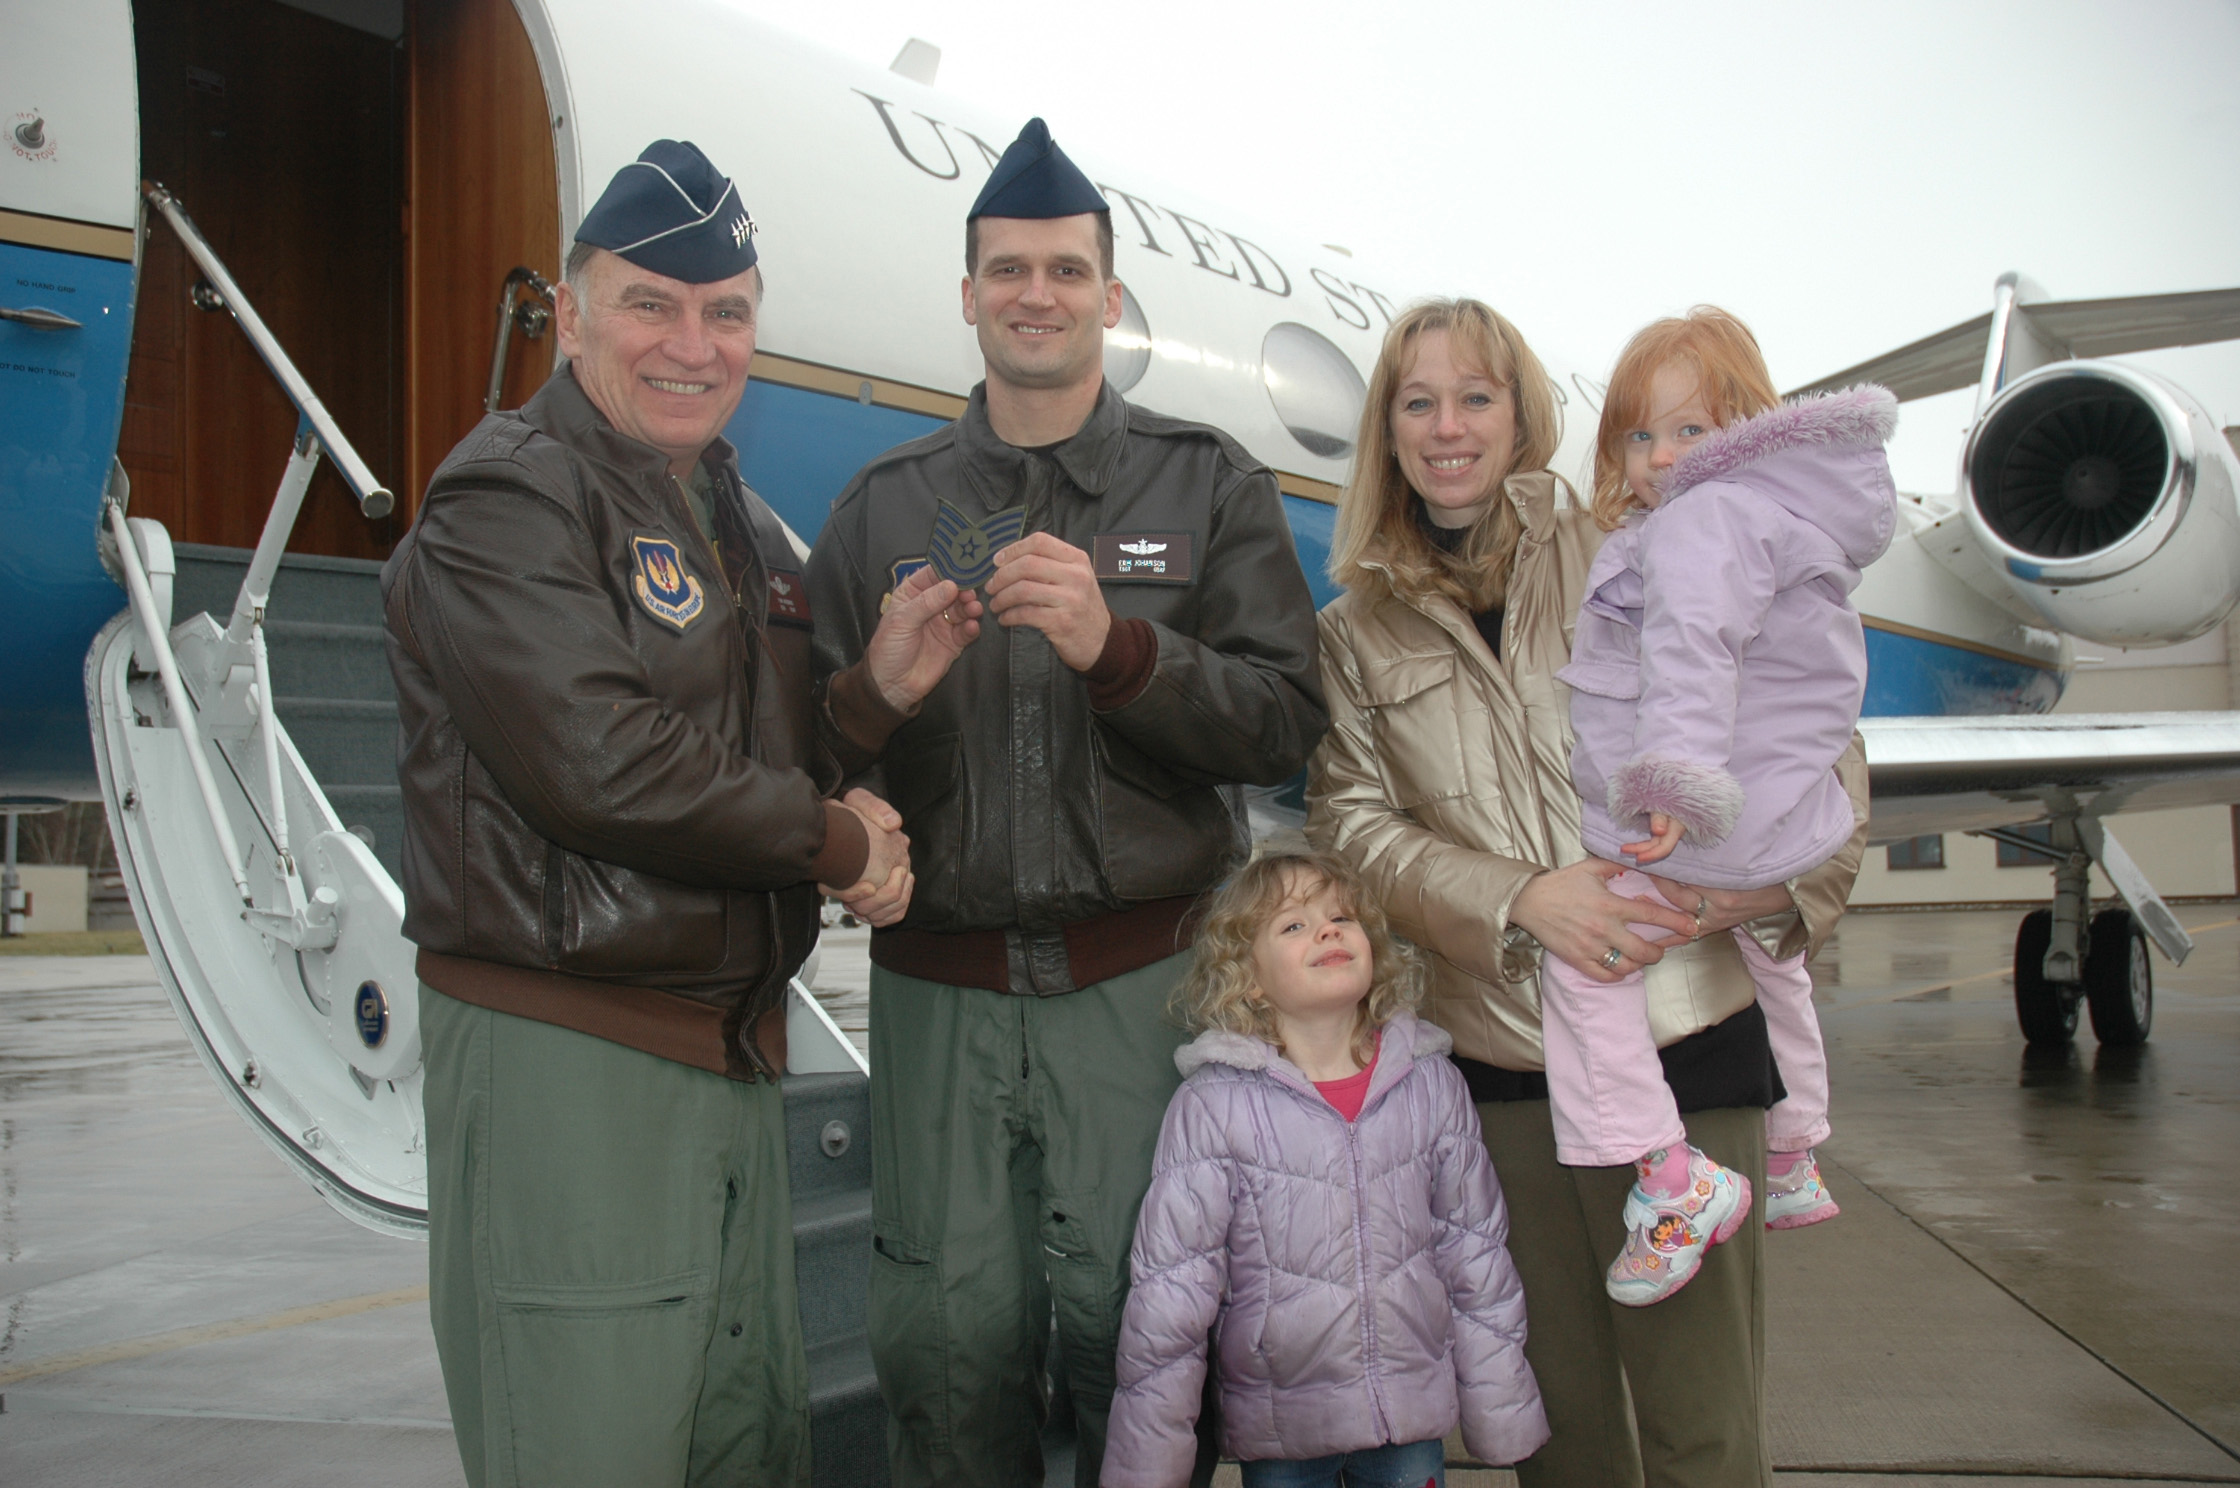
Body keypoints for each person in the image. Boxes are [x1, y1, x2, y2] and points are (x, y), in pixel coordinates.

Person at [805, 117, 1327, 1488]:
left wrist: (1124, 652)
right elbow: (807, 748)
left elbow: (1287, 718)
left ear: (1108, 294)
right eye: (1007, 270)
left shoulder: (1207, 486)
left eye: (1064, 269)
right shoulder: (881, 507)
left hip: (1138, 999)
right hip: (942, 1004)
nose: (1036, 293)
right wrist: (873, 715)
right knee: (944, 1344)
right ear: (968, 296)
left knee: (1147, 1347)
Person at [384, 140, 911, 1488]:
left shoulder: (726, 509)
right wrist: (841, 842)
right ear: (569, 315)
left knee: (741, 1449)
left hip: (726, 1058)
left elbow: (747, 751)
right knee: (592, 1446)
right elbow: (603, 763)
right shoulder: (509, 493)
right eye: (649, 304)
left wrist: (871, 703)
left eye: (725, 310)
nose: (693, 342)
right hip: (574, 1057)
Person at [1305, 297, 1868, 1488]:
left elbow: (1816, 744)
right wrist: (1522, 899)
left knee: (1700, 1426)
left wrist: (1746, 893)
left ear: (1525, 415)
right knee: (1553, 1434)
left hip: (1685, 1040)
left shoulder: (1642, 539)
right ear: (1386, 429)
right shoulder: (1354, 631)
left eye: (1475, 396)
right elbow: (1350, 826)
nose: (1446, 427)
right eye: (1417, 401)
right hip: (1497, 1072)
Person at [1546, 308, 1896, 1305]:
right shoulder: (1789, 519)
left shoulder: (1704, 520)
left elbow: (1690, 655)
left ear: (1745, 424)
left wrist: (1666, 785)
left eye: (1687, 430)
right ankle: (1792, 1153)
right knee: (1771, 959)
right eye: (1638, 436)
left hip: (1703, 814)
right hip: (1783, 812)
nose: (1658, 458)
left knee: (1586, 971)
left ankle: (1669, 1175)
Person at [1103, 848, 1549, 1488]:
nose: (1328, 931)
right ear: (1249, 977)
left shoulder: (1431, 1084)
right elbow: (1170, 1293)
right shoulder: (1212, 1104)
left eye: (1343, 918)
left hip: (1409, 1419)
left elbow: (1476, 1256)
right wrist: (1148, 1466)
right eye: (1293, 925)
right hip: (1282, 1427)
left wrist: (1498, 1410)